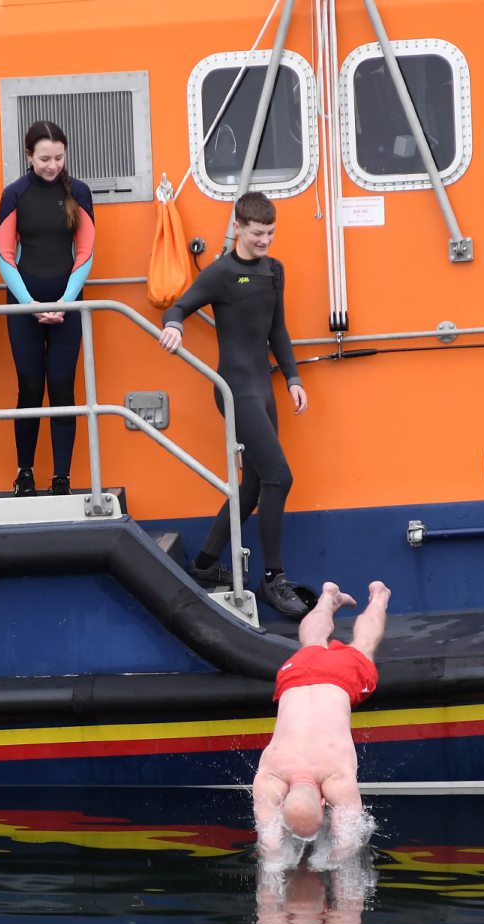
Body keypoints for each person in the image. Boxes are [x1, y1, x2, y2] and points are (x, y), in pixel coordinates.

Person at [160, 191, 310, 618]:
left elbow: (278, 329)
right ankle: (273, 579)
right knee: (279, 478)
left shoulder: (275, 271)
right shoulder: (222, 273)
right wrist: (174, 327)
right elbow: (180, 306)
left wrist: (293, 378)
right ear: (239, 227)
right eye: (258, 233)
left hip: (262, 386)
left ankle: (205, 565)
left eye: (271, 233)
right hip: (234, 388)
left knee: (254, 484)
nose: (265, 240)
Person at [253, 580, 391, 860]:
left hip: (339, 679)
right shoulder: (269, 778)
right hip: (295, 679)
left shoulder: (336, 777)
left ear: (324, 800)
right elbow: (268, 843)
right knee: (311, 644)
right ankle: (328, 597)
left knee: (363, 645)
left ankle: (378, 597)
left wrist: (321, 863)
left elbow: (346, 846)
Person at [0, 120, 95, 497]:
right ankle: (25, 473)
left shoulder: (79, 192)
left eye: (58, 158)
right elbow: (4, 256)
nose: (52, 165)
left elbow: (85, 253)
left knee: (62, 387)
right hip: (25, 307)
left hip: (67, 306)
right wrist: (30, 304)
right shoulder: (15, 194)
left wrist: (66, 302)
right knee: (30, 387)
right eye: (44, 158)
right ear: (28, 156)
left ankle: (62, 478)